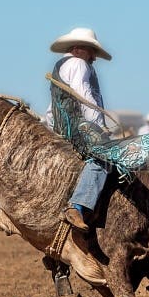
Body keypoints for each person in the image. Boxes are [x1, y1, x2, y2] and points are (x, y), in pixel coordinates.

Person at [45, 27, 112, 232]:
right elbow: (85, 97)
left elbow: (51, 110)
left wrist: (50, 129)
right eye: (92, 51)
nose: (94, 57)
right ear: (79, 49)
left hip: (63, 127)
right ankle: (77, 207)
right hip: (79, 128)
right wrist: (99, 127)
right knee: (104, 159)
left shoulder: (61, 66)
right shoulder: (78, 63)